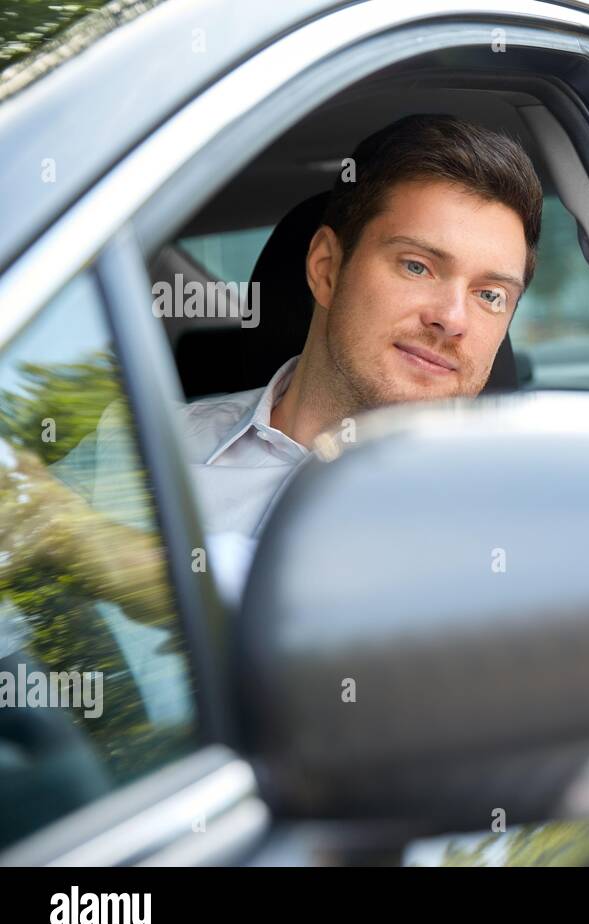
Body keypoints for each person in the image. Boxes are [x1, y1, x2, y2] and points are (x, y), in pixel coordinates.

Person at [1, 115, 544, 609]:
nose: (452, 318)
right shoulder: (139, 444)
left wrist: (71, 534)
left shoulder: (501, 522)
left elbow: (308, 608)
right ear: (327, 268)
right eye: (417, 266)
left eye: (490, 295)